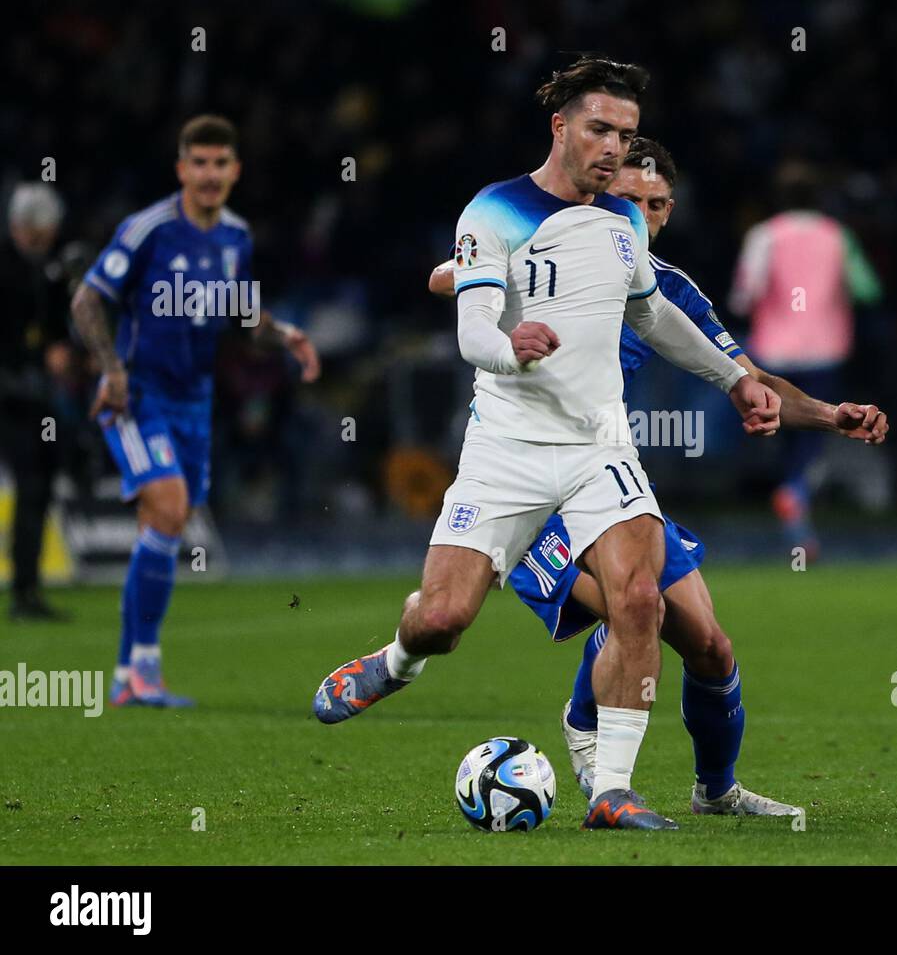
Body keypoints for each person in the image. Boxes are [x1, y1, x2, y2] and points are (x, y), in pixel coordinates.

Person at [311, 56, 781, 831]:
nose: (613, 148)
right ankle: (395, 663)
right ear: (560, 127)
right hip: (506, 451)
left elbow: (654, 317)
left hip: (601, 446)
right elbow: (471, 329)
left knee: (639, 600)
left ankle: (612, 792)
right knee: (443, 619)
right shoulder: (492, 212)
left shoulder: (624, 222)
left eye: (626, 135)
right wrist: (510, 345)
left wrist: (734, 379)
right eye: (600, 129)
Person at [430, 138, 889, 814]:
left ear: (669, 211)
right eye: (629, 201)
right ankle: (590, 739)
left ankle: (716, 791)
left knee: (710, 645)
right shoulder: (540, 244)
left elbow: (748, 375)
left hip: (604, 473)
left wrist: (828, 413)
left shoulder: (666, 289)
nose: (640, 215)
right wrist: (468, 279)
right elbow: (453, 274)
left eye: (654, 204)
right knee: (632, 605)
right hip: (525, 476)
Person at [71, 115, 320, 706]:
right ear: (181, 168)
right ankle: (143, 670)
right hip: (139, 395)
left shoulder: (235, 236)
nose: (209, 174)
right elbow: (87, 299)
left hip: (194, 401)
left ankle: (128, 674)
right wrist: (112, 369)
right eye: (199, 163)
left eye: (220, 163)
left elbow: (244, 319)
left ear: (235, 170)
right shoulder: (149, 229)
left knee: (162, 525)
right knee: (169, 505)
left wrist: (285, 335)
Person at [729, 160, 884, 556]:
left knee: (778, 428)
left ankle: (790, 500)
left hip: (773, 354)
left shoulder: (764, 237)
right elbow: (867, 289)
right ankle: (795, 494)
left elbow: (743, 295)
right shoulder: (837, 237)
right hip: (824, 351)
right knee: (818, 430)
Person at [0, 183, 74, 621]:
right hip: (10, 389)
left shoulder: (47, 270)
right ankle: (23, 589)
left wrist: (60, 347)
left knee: (40, 482)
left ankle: (27, 589)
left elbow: (57, 326)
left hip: (33, 391)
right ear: (19, 227)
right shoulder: (7, 270)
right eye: (36, 233)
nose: (42, 241)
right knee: (31, 481)